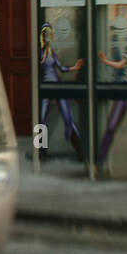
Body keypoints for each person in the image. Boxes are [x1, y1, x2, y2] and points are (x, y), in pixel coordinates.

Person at [96, 16, 127, 170]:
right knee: (111, 126)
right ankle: (99, 161)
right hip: (126, 88)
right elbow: (120, 65)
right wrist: (106, 61)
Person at [38, 22, 86, 161]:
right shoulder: (41, 52)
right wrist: (45, 51)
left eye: (49, 34)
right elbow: (39, 65)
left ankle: (79, 151)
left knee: (68, 117)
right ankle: (40, 152)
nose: (47, 37)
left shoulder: (53, 52)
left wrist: (75, 68)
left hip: (57, 86)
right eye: (45, 34)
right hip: (46, 87)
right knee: (41, 120)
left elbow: (61, 68)